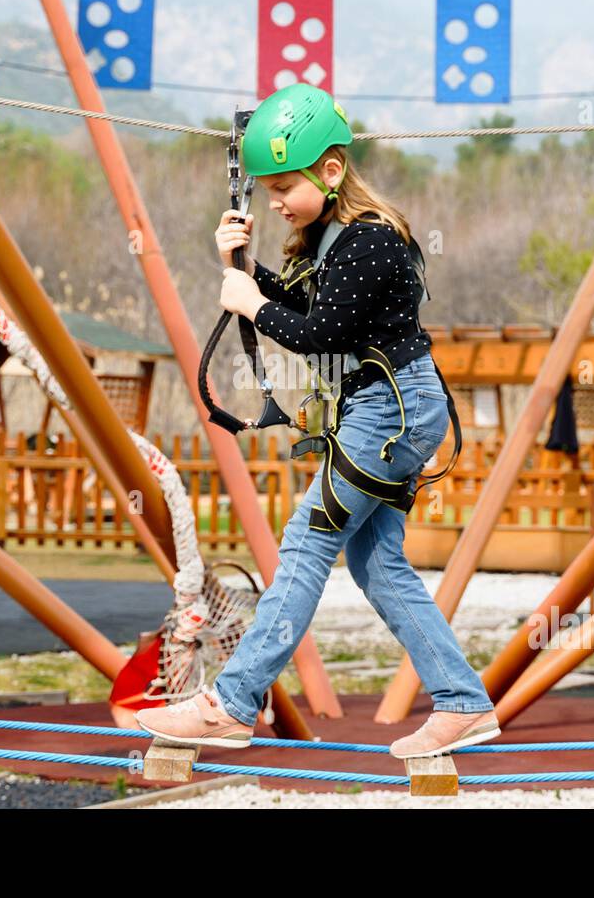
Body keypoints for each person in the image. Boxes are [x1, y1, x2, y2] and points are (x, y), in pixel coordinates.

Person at [135, 83, 499, 758]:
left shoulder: (368, 242)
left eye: (282, 187)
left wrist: (249, 304)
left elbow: (319, 334)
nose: (274, 202)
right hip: (392, 409)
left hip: (388, 413)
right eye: (267, 190)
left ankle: (231, 704)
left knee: (304, 547)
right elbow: (314, 301)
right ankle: (463, 701)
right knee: (376, 564)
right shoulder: (340, 241)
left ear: (330, 171)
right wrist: (243, 269)